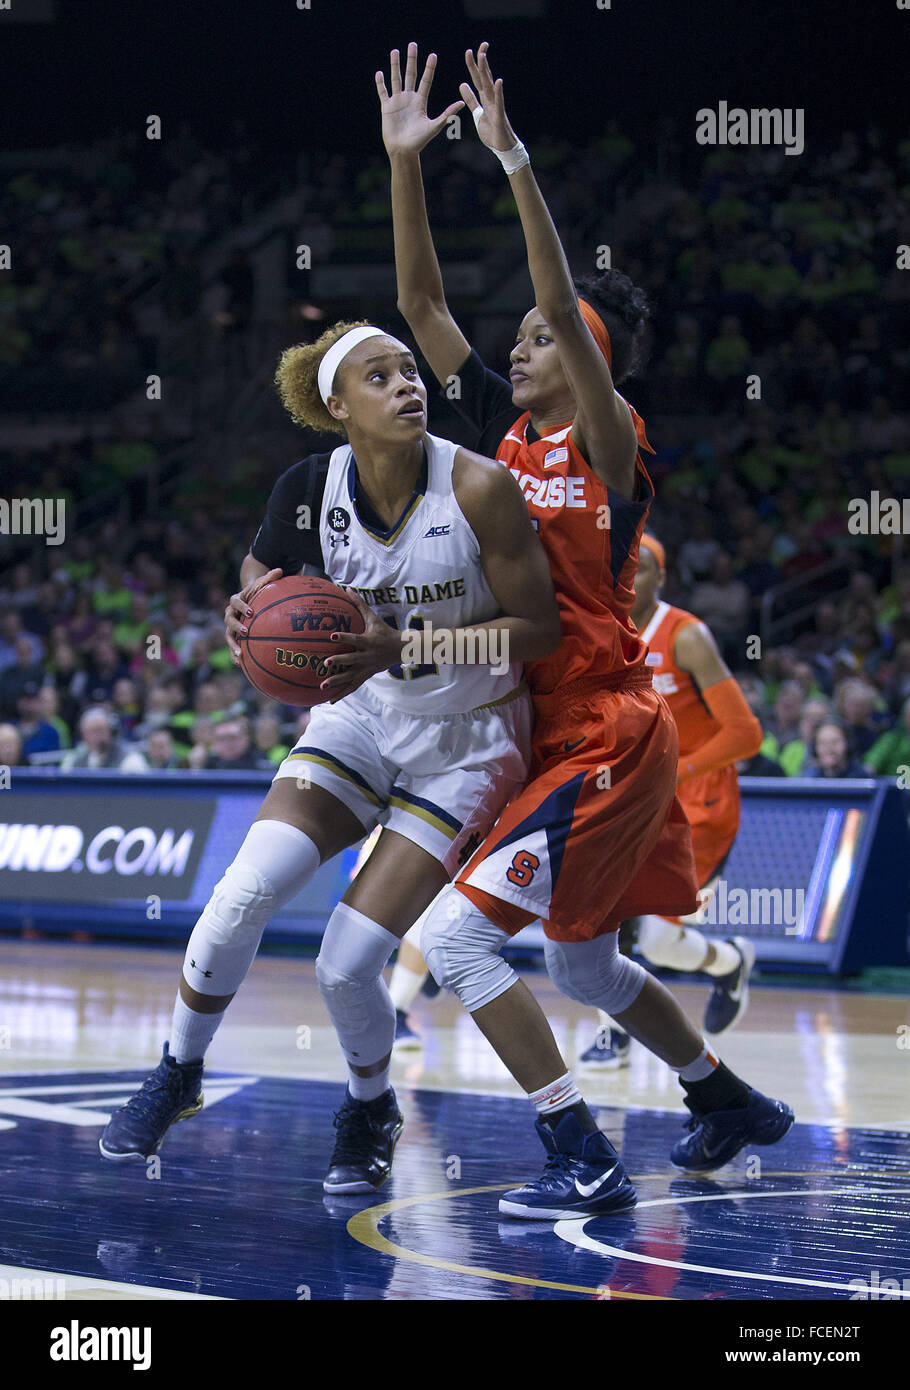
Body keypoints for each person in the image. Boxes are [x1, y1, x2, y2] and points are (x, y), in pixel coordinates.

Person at [380, 41, 793, 1218]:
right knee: (582, 964)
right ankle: (724, 1100)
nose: (518, 345)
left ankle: (581, 1152)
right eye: (512, 337)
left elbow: (562, 296)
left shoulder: (611, 451)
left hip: (605, 736)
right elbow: (418, 306)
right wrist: (406, 164)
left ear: (592, 362)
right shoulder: (502, 446)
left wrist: (511, 158)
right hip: (562, 731)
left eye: (539, 338)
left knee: (456, 946)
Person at [99, 315, 560, 1199]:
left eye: (409, 372)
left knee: (346, 962)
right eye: (380, 377)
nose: (406, 385)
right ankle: (179, 1072)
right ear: (337, 405)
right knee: (240, 897)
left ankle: (368, 1106)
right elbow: (258, 576)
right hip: (360, 717)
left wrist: (406, 644)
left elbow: (536, 630)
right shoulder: (310, 487)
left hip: (464, 741)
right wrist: (246, 613)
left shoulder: (481, 485)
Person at [576, 533, 763, 1069]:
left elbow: (746, 734)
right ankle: (614, 1034)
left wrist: (677, 770)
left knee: (658, 943)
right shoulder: (595, 631)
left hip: (696, 800)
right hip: (627, 797)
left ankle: (729, 963)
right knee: (603, 915)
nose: (628, 578)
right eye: (620, 568)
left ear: (663, 578)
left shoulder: (687, 636)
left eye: (643, 568)